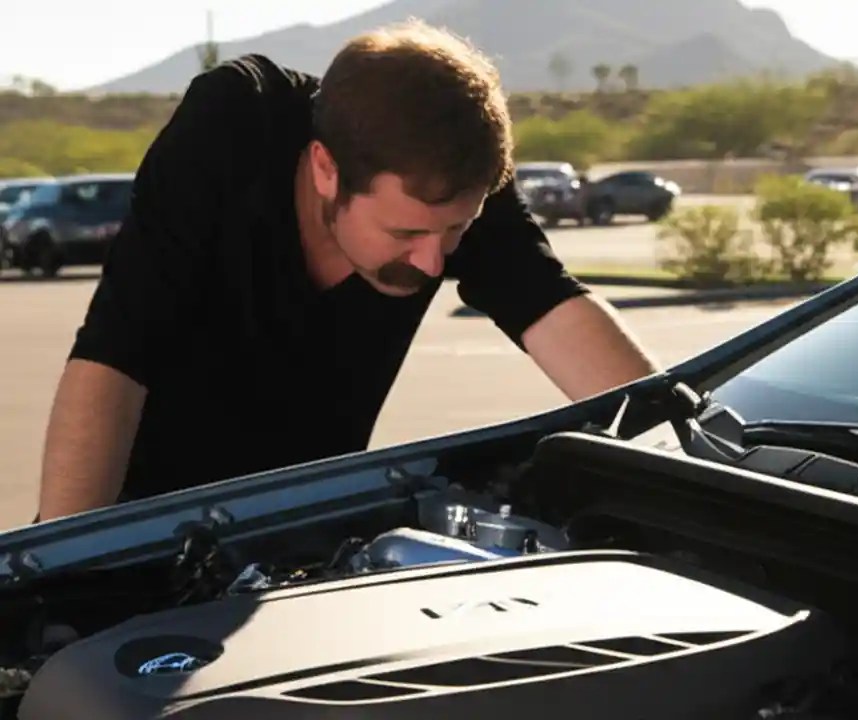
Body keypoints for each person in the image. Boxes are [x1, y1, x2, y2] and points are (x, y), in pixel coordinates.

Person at [34, 20, 660, 522]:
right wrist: (62, 567)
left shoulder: (452, 166)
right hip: (133, 525)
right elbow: (117, 353)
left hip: (299, 531)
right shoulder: (235, 125)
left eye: (455, 232)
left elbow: (549, 304)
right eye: (406, 232)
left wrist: (682, 450)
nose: (433, 260)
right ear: (326, 169)